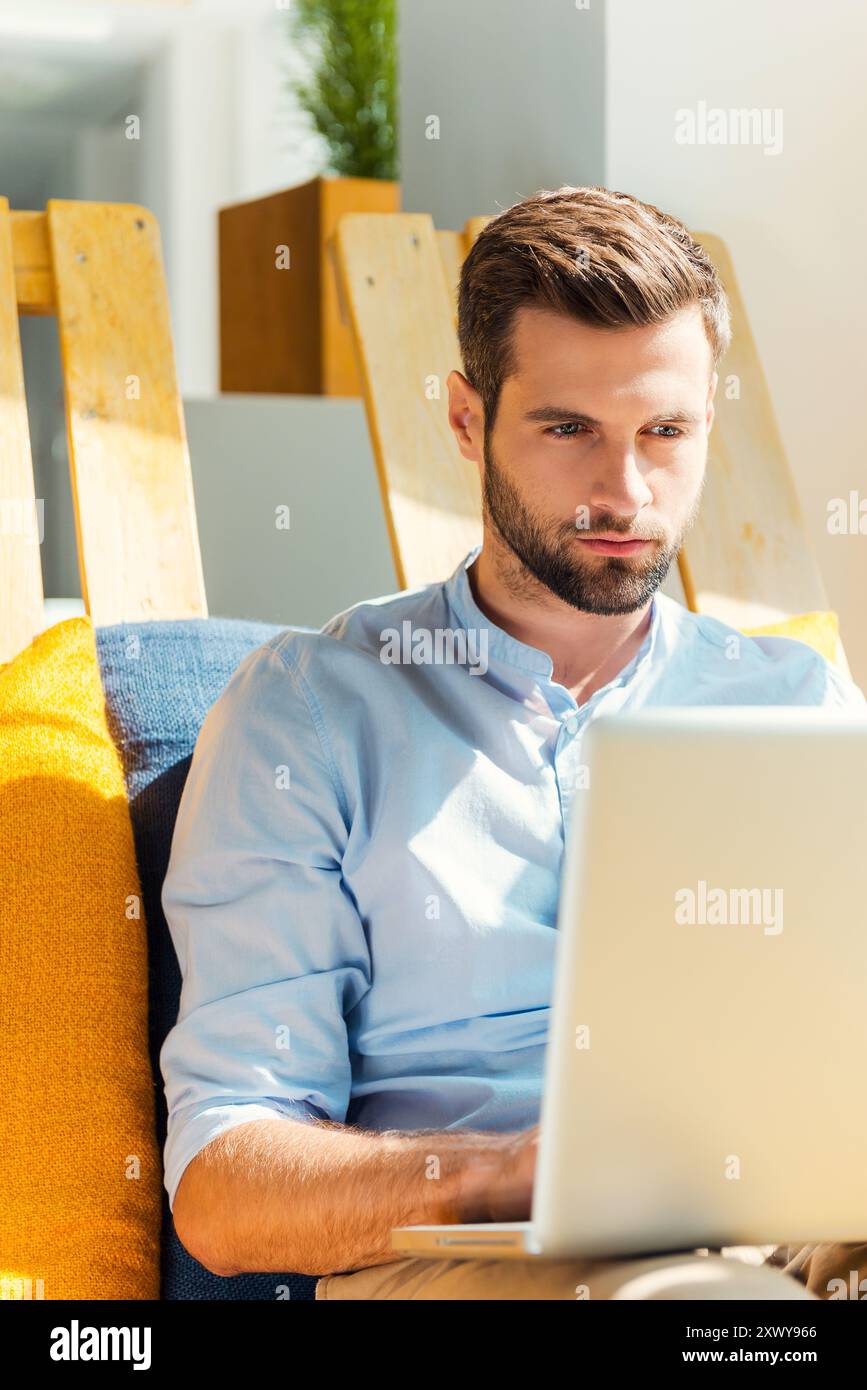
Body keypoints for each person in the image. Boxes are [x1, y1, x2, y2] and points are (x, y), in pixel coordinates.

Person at [160, 186, 866, 1300]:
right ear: (464, 419)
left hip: (785, 1234)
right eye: (569, 428)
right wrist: (509, 1177)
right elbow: (226, 1183)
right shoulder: (310, 712)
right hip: (467, 1259)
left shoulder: (800, 707)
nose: (624, 490)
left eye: (665, 432)